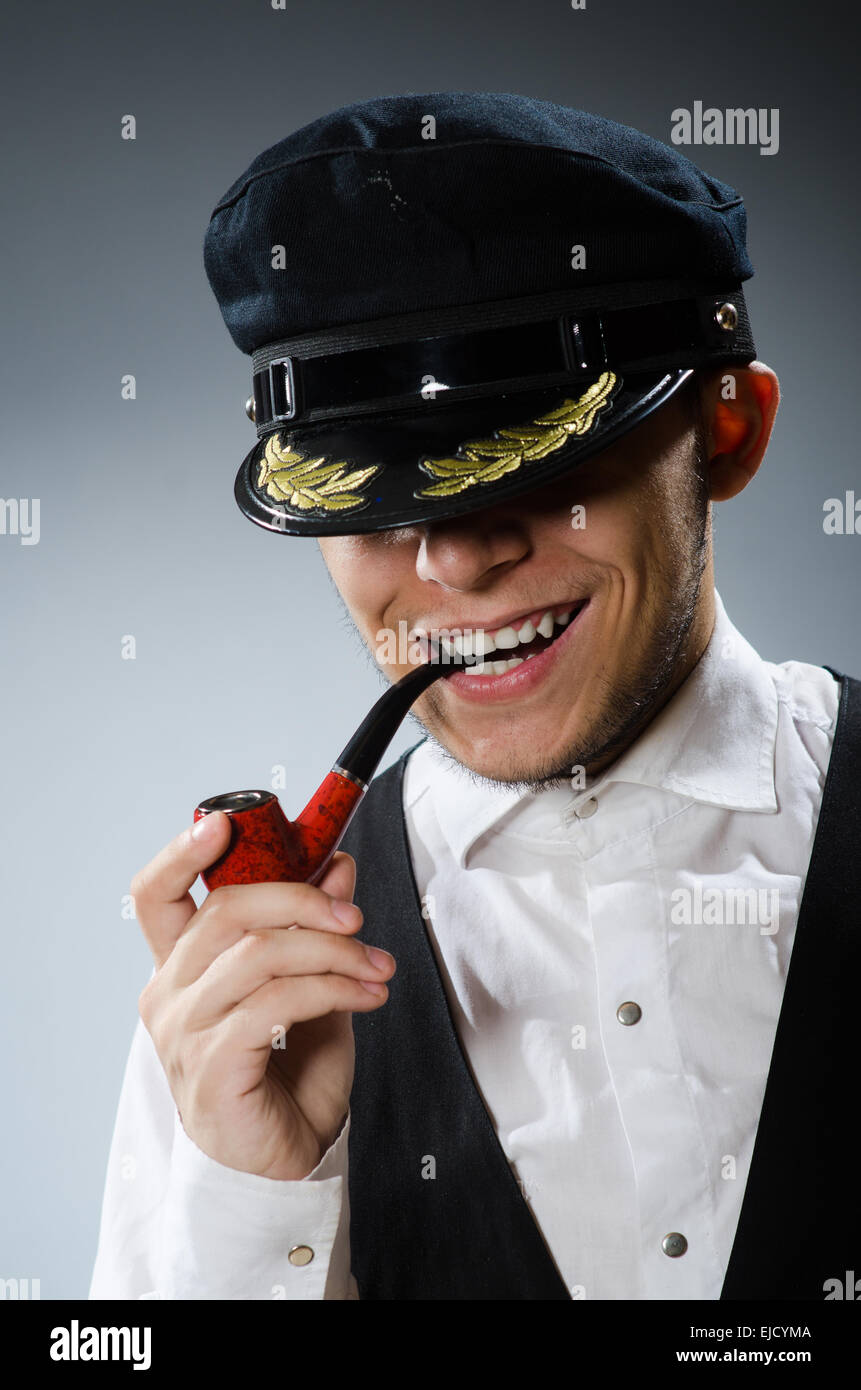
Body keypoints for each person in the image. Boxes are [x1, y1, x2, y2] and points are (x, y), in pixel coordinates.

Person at [89, 92, 859, 1302]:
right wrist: (257, 1205)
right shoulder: (244, 1008)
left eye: (541, 470)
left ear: (729, 428)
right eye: (372, 504)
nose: (451, 563)